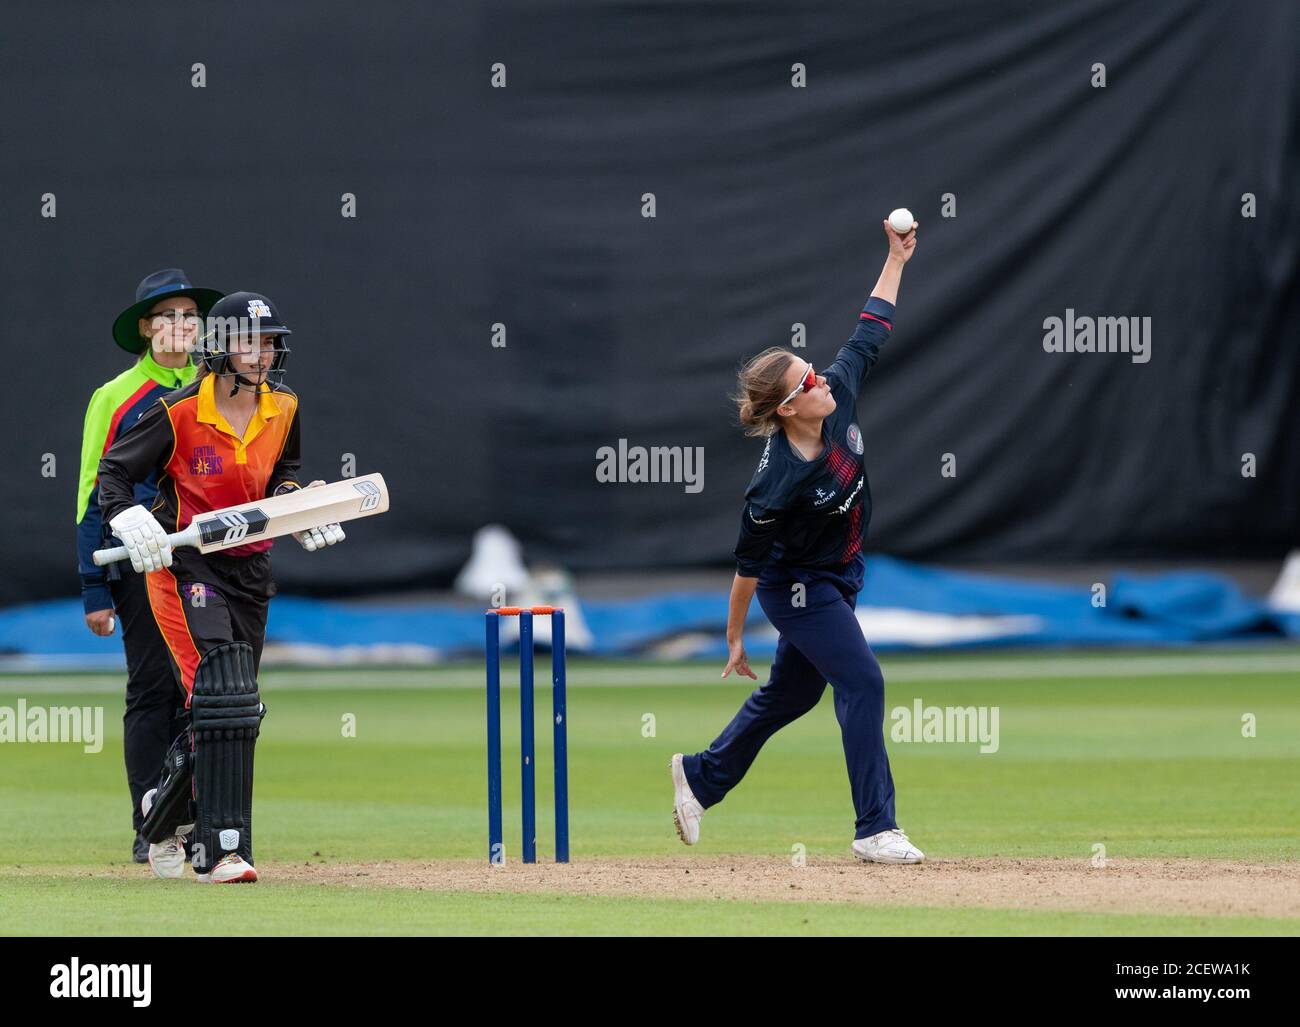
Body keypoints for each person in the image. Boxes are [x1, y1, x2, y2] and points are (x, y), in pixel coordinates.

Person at [671, 219, 924, 864]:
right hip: (797, 588)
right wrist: (733, 637)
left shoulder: (836, 394)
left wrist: (895, 257)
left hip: (841, 573)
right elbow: (748, 569)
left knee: (794, 693)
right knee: (862, 682)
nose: (821, 381)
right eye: (806, 383)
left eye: (812, 370)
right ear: (787, 410)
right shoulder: (775, 483)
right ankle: (875, 828)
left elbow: (872, 326)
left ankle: (700, 778)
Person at [97, 291, 345, 883]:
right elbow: (114, 470)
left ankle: (163, 811)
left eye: (268, 342)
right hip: (187, 567)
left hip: (251, 568)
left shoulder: (283, 405)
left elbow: (284, 470)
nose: (262, 354)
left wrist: (294, 505)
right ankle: (221, 848)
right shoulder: (180, 409)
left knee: (238, 709)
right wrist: (126, 515)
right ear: (218, 348)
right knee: (224, 696)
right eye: (249, 342)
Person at [77, 268, 222, 863]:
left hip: (206, 564)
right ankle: (152, 825)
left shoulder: (217, 389)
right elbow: (92, 494)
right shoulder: (115, 397)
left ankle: (201, 823)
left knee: (207, 690)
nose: (182, 328)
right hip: (140, 561)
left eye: (191, 317)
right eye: (169, 318)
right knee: (153, 688)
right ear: (145, 328)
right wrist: (94, 589)